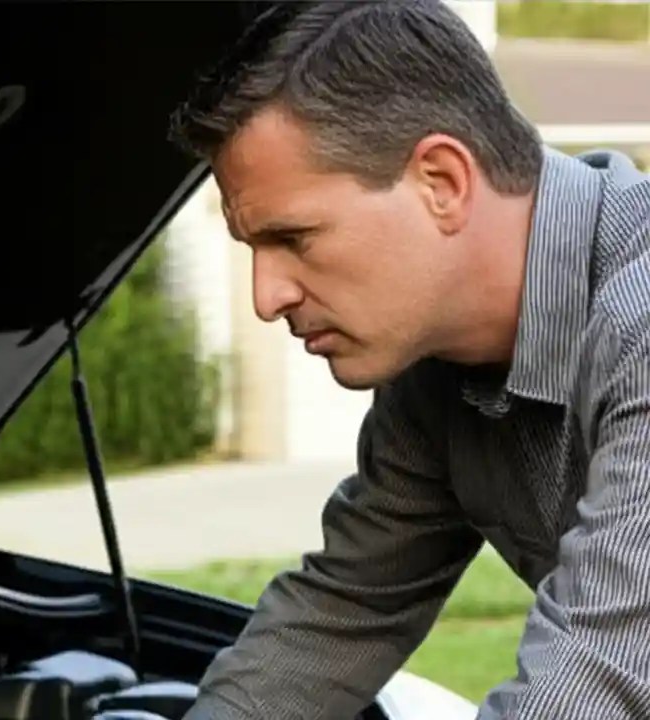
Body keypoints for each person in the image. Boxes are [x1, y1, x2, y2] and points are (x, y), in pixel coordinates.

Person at [166, 1, 650, 718]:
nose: (266, 297)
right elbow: (339, 616)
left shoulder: (639, 318)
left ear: (442, 182)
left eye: (293, 238)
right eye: (252, 250)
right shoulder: (436, 382)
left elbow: (591, 684)